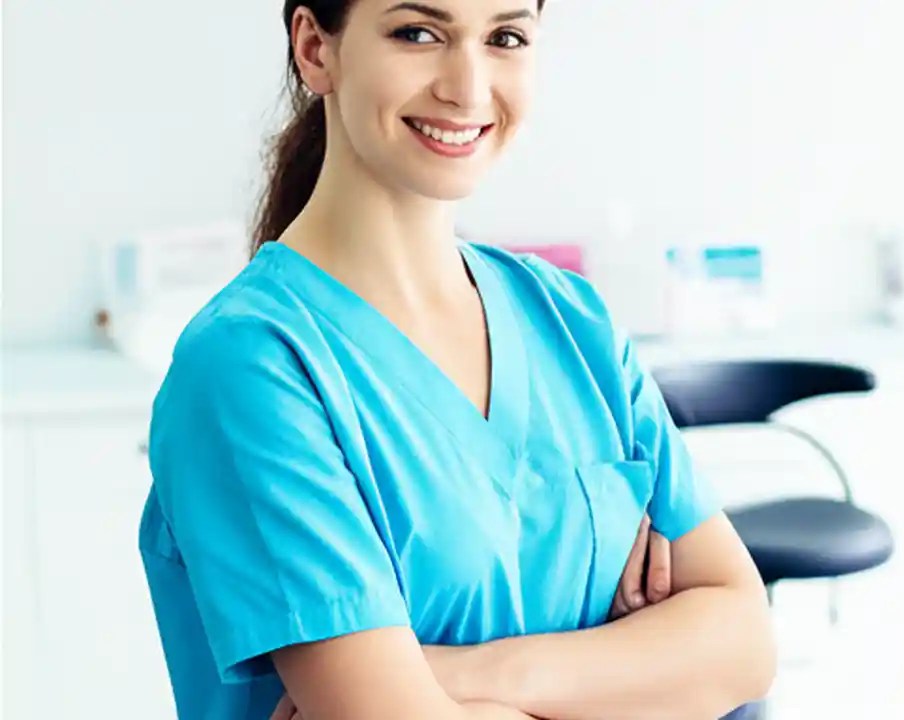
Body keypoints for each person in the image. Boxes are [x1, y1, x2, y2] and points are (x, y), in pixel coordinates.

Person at [137, 1, 777, 718]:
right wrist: (648, 678)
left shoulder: (573, 320)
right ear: (316, 48)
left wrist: (473, 676)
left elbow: (746, 644)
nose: (468, 88)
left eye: (505, 38)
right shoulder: (251, 366)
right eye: (419, 33)